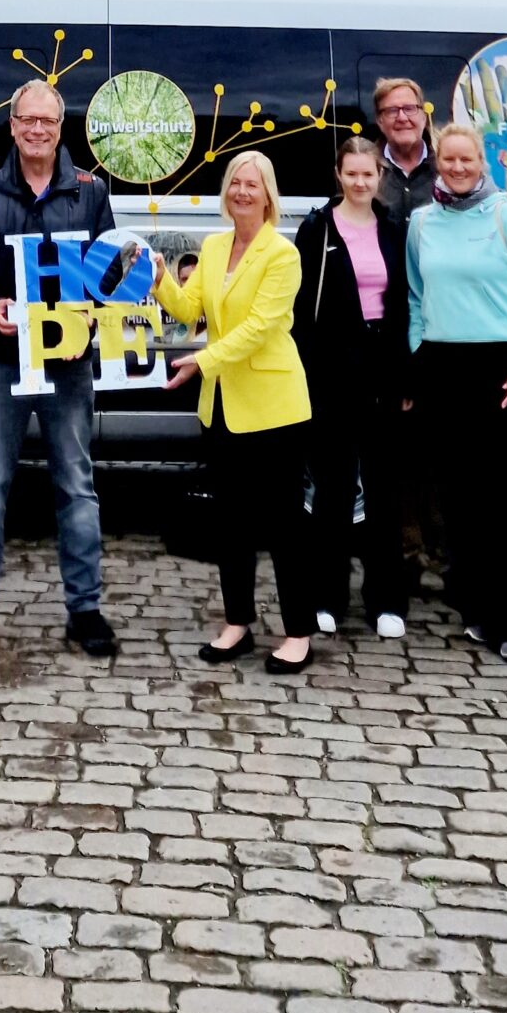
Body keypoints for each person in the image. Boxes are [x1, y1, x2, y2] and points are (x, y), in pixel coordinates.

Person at [0, 79, 117, 665]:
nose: (38, 131)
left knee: (76, 486)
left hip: (68, 367)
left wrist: (89, 324)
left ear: (60, 126)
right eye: (28, 120)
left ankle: (85, 608)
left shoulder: (90, 193)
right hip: (3, 363)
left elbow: (109, 270)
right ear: (14, 125)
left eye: (48, 121)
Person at [154, 151, 316, 674]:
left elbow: (261, 329)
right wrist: (159, 278)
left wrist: (203, 360)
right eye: (235, 183)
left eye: (253, 184)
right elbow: (188, 310)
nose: (242, 192)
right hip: (222, 407)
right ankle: (238, 624)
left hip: (274, 408)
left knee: (287, 524)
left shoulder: (281, 255)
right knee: (232, 523)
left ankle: (297, 632)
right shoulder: (215, 245)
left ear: (269, 196)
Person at [405, 121, 507, 662]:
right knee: (460, 499)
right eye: (448, 161)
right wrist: (419, 350)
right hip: (445, 369)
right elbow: (417, 295)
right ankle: (476, 609)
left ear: (482, 163)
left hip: (505, 369)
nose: (458, 168)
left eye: (467, 160)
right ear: (437, 164)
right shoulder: (421, 223)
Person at [293, 133, 411, 641]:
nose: (360, 182)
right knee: (334, 488)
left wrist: (408, 374)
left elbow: (407, 303)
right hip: (330, 369)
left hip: (383, 365)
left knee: (386, 489)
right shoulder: (317, 229)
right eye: (352, 173)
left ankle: (386, 599)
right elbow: (300, 311)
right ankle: (327, 597)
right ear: (338, 175)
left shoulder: (394, 228)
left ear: (379, 177)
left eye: (369, 174)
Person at [370, 78, 437, 225]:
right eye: (391, 111)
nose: (402, 117)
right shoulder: (367, 171)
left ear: (424, 117)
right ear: (380, 121)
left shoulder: (447, 168)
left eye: (409, 108)